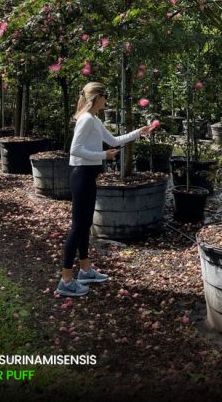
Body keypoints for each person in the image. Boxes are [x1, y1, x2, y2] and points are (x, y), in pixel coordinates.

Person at [56, 81, 155, 297]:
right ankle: (65, 280)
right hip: (81, 176)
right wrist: (103, 156)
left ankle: (85, 270)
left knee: (85, 225)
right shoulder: (86, 120)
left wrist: (139, 132)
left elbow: (113, 141)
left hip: (88, 176)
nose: (107, 100)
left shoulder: (94, 120)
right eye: (105, 96)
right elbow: (75, 150)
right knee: (78, 227)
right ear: (97, 98)